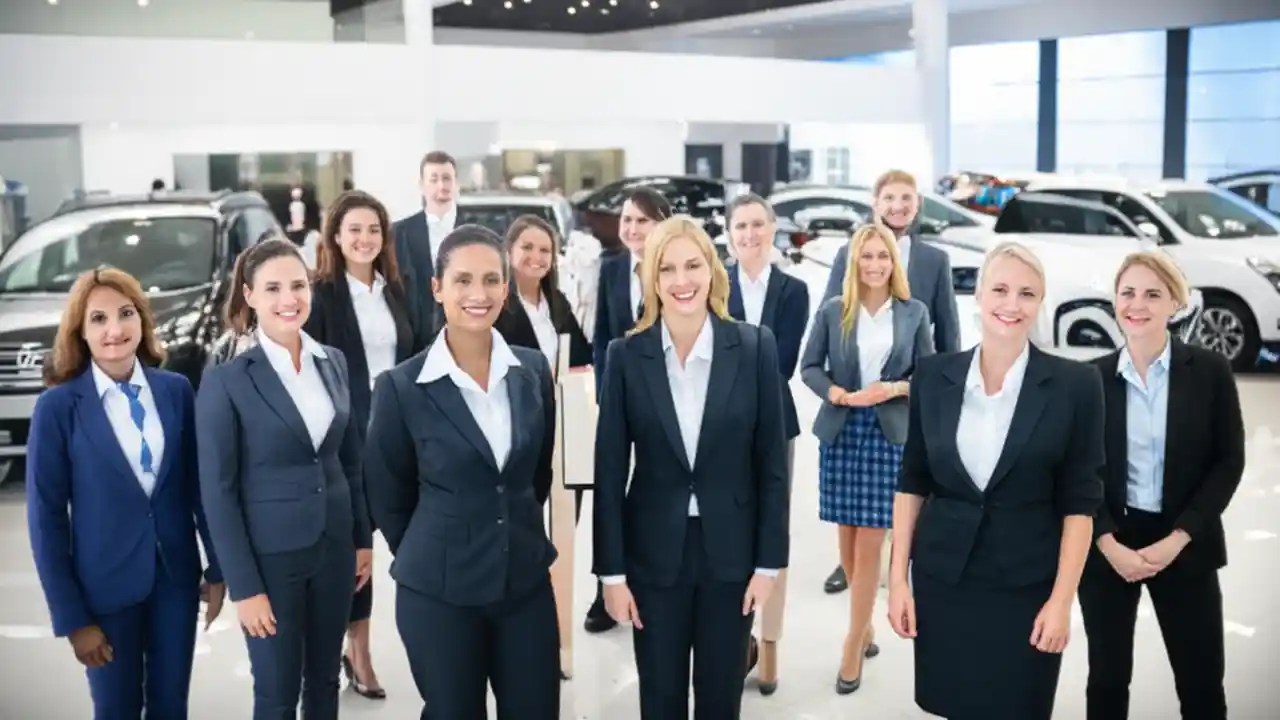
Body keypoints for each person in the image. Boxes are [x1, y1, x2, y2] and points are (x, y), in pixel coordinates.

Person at [887, 241, 1104, 720]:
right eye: (1000, 290)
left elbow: (1080, 504)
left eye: (1027, 294)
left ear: (1040, 302)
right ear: (979, 296)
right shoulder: (933, 376)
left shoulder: (1076, 386)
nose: (1012, 304)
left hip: (1026, 587)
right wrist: (897, 579)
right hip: (945, 582)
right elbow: (912, 482)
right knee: (953, 705)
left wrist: (1062, 601)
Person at [593, 216, 789, 719]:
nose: (682, 280)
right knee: (660, 697)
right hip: (653, 555)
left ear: (712, 270)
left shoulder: (754, 347)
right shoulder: (625, 356)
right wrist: (611, 574)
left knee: (721, 698)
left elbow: (771, 465)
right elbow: (609, 472)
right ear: (652, 279)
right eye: (667, 269)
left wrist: (769, 564)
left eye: (693, 265)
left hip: (732, 553)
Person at [364, 225, 561, 720]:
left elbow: (534, 476)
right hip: (440, 593)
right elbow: (388, 495)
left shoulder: (533, 371)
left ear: (506, 288)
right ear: (437, 288)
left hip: (524, 584)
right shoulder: (401, 387)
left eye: (492, 280)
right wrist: (440, 546)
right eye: (463, 280)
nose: (479, 293)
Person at [27, 267, 224, 719]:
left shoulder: (175, 391)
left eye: (125, 313)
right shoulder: (58, 408)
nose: (114, 329)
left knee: (171, 707)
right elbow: (46, 520)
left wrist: (218, 567)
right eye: (98, 319)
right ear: (79, 331)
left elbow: (199, 488)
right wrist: (73, 618)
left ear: (142, 319)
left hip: (175, 582)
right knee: (117, 709)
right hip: (104, 591)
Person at [196, 239, 373, 720]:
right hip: (270, 561)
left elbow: (350, 461)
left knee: (325, 682)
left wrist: (361, 539)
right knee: (276, 693)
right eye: (272, 288)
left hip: (334, 549)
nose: (288, 299)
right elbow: (218, 493)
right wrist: (244, 587)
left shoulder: (331, 361)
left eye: (298, 286)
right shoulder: (228, 379)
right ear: (249, 295)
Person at [1079, 251, 1244, 720]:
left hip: (1185, 540)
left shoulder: (1210, 371)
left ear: (1176, 302)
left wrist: (1179, 538)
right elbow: (1078, 472)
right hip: (1110, 544)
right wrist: (1106, 542)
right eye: (1128, 293)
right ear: (1115, 300)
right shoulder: (1090, 379)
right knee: (1107, 681)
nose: (1138, 305)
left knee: (1201, 683)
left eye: (1153, 294)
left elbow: (1228, 461)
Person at [801, 223, 934, 694]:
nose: (875, 264)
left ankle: (852, 643)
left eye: (883, 256)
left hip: (887, 436)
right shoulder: (834, 310)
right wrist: (838, 394)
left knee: (870, 545)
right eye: (867, 256)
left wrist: (892, 388)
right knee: (848, 546)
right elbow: (809, 367)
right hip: (841, 432)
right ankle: (867, 627)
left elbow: (928, 375)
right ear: (854, 262)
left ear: (893, 262)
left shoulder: (913, 313)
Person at [304, 190, 423, 700]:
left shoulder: (395, 289)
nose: (364, 239)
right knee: (355, 545)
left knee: (386, 539)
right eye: (354, 229)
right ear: (335, 236)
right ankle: (358, 651)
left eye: (373, 229)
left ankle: (357, 647)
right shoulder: (320, 295)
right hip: (344, 438)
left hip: (393, 435)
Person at [821, 169, 961, 595]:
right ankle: (853, 566)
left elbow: (947, 331)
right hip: (855, 397)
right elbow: (831, 316)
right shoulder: (850, 253)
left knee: (905, 485)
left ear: (918, 204)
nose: (898, 206)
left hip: (908, 392)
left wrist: (942, 391)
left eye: (906, 198)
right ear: (875, 203)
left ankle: (897, 562)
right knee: (853, 494)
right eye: (889, 198)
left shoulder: (934, 261)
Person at [723, 193, 810, 695]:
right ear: (729, 234)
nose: (750, 234)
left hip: (775, 423)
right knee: (730, 528)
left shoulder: (794, 291)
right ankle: (738, 640)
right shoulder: (714, 283)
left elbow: (783, 362)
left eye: (758, 224)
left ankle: (770, 643)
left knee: (772, 530)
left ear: (773, 229)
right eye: (741, 226)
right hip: (720, 428)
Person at [585, 186, 672, 633]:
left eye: (642, 220)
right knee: (610, 488)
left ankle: (652, 579)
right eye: (627, 220)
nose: (633, 228)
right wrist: (607, 396)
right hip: (620, 398)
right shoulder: (612, 268)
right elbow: (602, 337)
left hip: (668, 401)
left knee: (657, 490)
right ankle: (606, 587)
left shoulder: (675, 270)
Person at [393, 150, 459, 344]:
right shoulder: (399, 232)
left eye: (447, 178)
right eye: (434, 179)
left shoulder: (478, 231)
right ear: (422, 185)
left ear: (456, 183)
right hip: (415, 339)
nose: (441, 186)